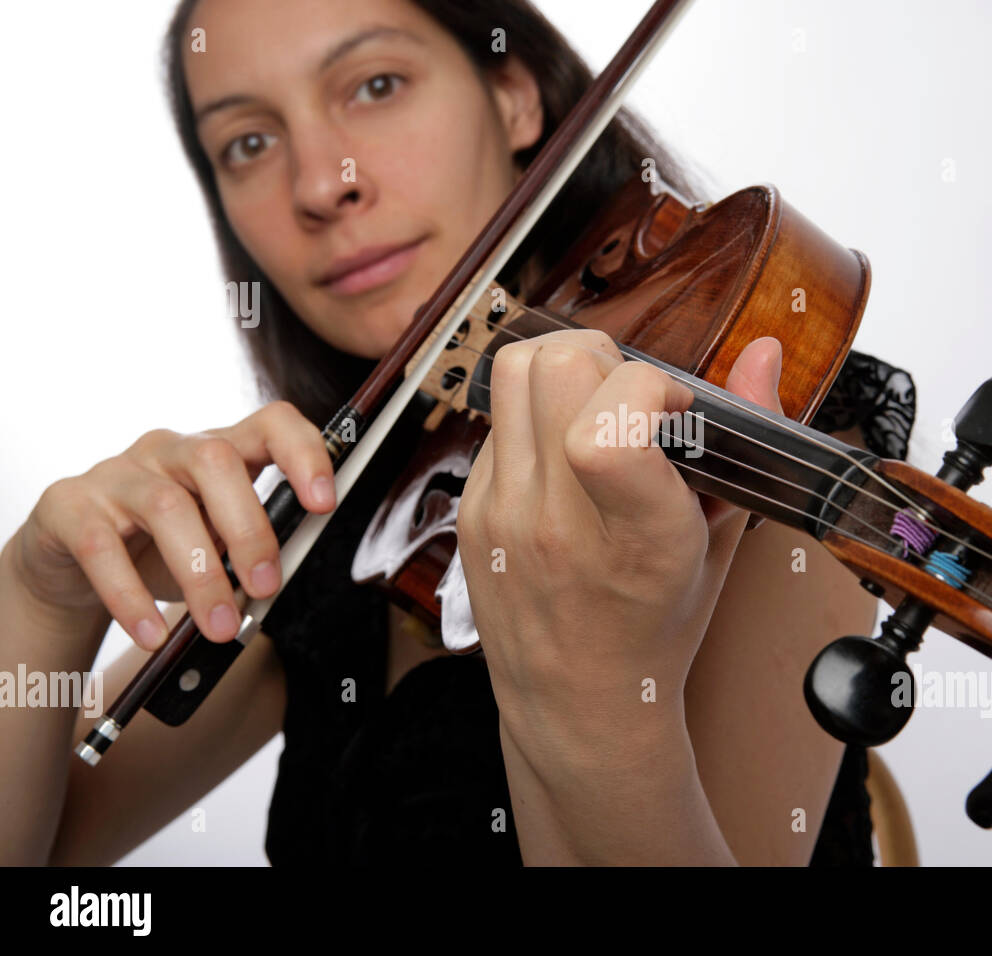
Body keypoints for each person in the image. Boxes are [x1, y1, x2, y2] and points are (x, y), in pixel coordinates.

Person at [0, 0, 916, 866]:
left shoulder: (748, 427)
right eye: (248, 142)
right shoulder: (350, 495)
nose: (320, 185)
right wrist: (41, 594)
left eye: (376, 86)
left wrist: (596, 708)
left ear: (515, 95)